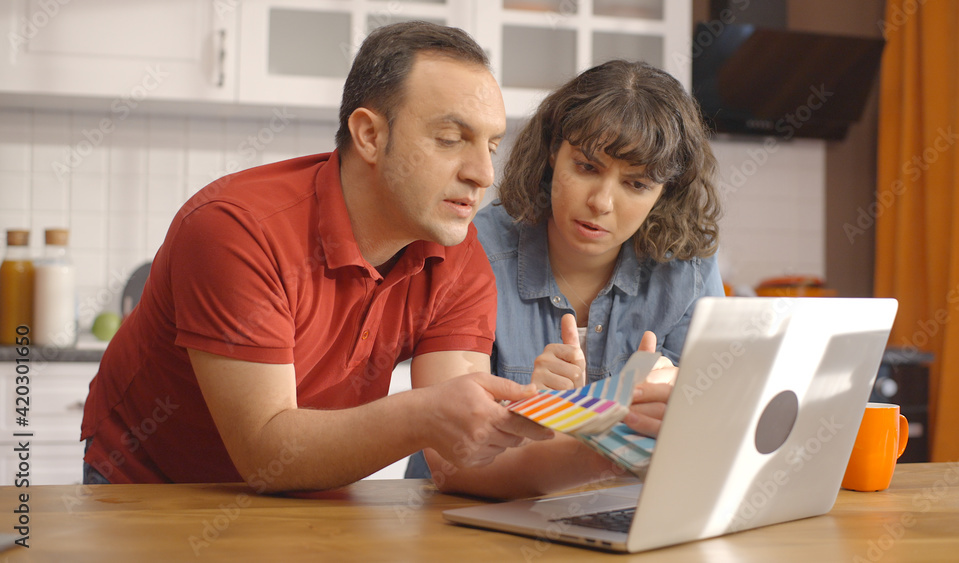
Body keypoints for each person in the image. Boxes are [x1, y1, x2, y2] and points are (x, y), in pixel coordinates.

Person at [80, 21, 556, 492]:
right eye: (451, 139)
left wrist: (593, 446)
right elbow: (265, 452)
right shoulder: (237, 229)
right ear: (369, 135)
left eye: (491, 145)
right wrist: (425, 415)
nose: (483, 173)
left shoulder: (456, 253)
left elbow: (458, 459)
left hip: (309, 490)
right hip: (152, 486)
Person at [408, 59, 725, 482]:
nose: (602, 203)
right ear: (553, 152)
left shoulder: (688, 266)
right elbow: (450, 462)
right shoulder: (472, 251)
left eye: (637, 184)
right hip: (456, 523)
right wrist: (534, 411)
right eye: (587, 167)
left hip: (615, 517)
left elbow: (722, 425)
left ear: (666, 193)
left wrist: (687, 400)